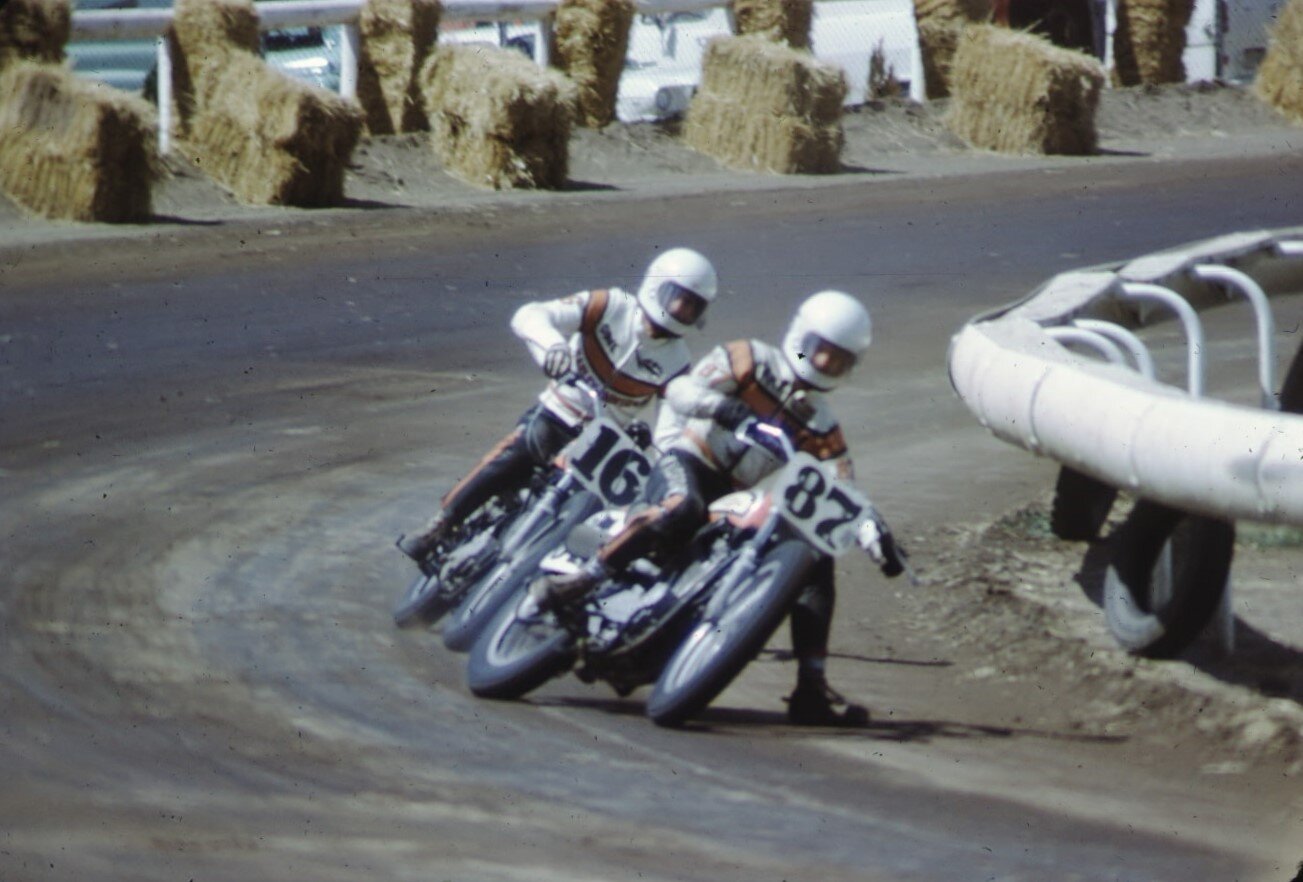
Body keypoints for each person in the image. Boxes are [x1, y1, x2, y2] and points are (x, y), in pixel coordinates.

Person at [533, 290, 905, 726]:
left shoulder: (822, 424)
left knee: (815, 558)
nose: (824, 365)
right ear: (802, 336)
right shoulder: (750, 358)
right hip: (686, 458)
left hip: (729, 494)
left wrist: (871, 531)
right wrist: (722, 407)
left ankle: (810, 687)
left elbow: (842, 486)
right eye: (821, 351)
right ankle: (584, 579)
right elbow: (680, 388)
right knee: (683, 508)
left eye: (838, 360)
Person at [397, 247, 719, 569]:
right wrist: (553, 345)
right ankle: (441, 524)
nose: (683, 310)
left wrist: (667, 459)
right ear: (656, 286)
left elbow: (671, 424)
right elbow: (530, 314)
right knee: (518, 449)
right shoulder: (610, 304)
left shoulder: (679, 362)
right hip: (558, 413)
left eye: (693, 306)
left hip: (604, 441)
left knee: (594, 510)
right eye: (680, 298)